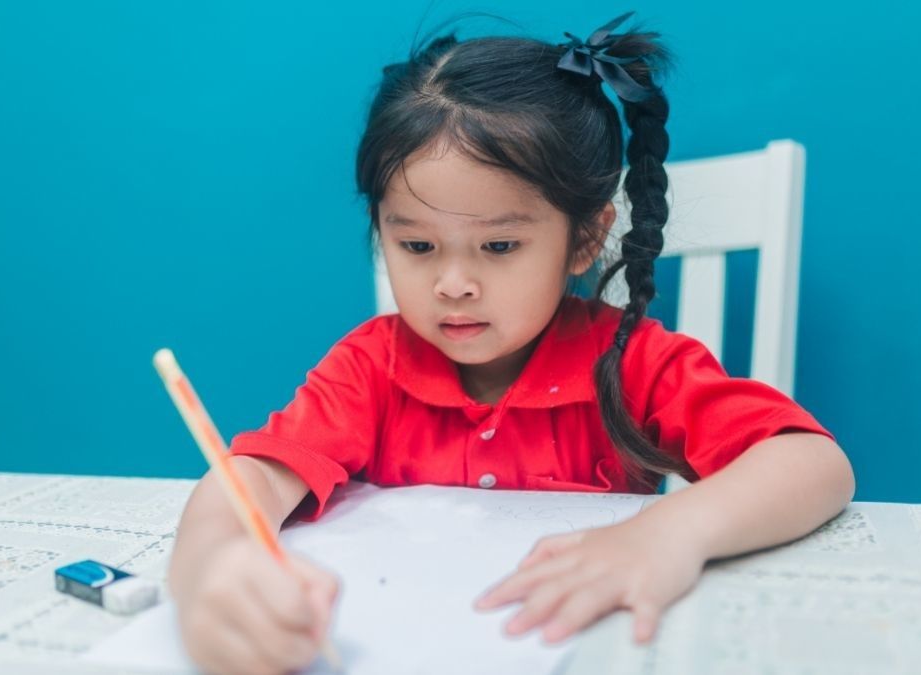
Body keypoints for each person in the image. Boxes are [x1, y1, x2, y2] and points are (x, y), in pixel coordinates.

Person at [167, 11, 855, 675]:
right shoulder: (370, 366)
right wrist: (209, 570)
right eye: (416, 245)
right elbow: (249, 479)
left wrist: (671, 534)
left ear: (585, 236)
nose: (454, 283)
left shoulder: (634, 361)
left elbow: (814, 463)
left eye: (499, 245)